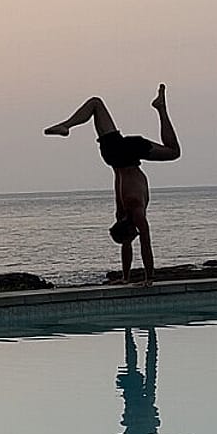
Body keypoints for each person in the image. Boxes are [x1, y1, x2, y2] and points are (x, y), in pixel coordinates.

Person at [44, 85, 181, 285]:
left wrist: (148, 279)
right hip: (113, 157)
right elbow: (135, 243)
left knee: (173, 152)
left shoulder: (133, 209)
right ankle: (66, 125)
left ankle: (161, 108)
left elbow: (145, 242)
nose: (132, 239)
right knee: (95, 104)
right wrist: (133, 279)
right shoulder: (124, 210)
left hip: (124, 155)